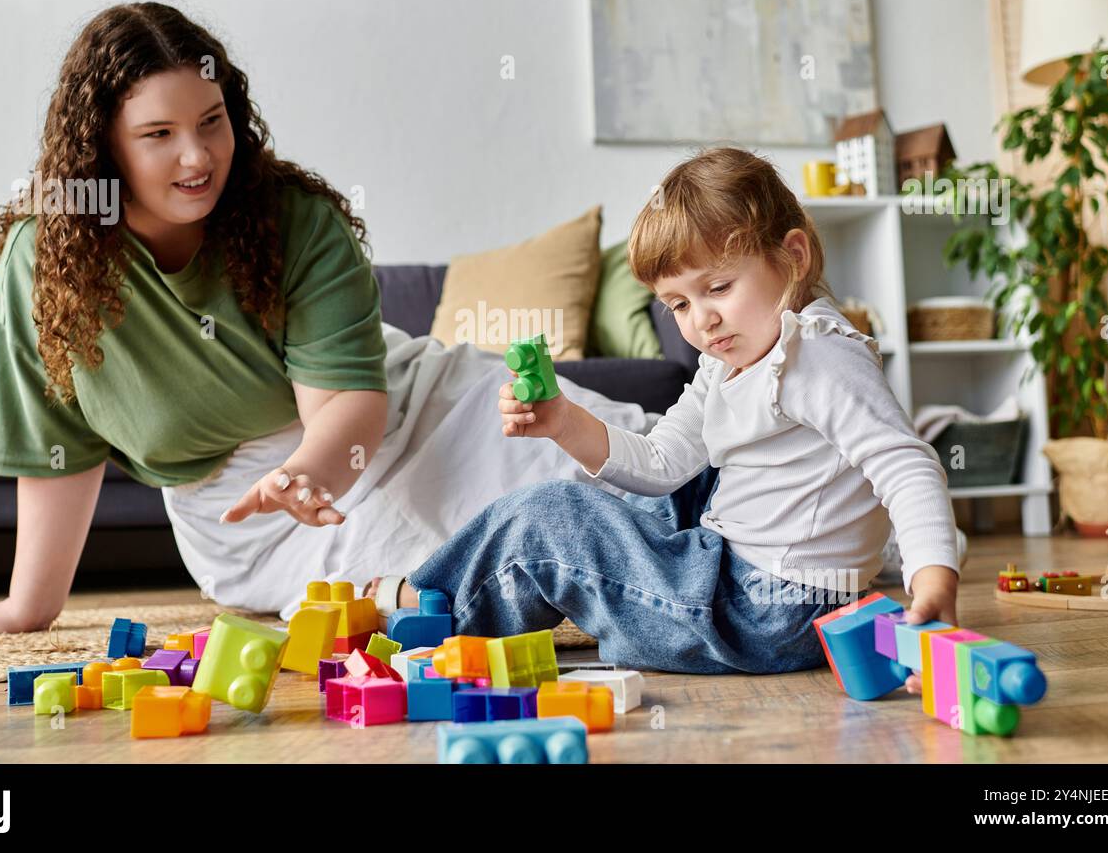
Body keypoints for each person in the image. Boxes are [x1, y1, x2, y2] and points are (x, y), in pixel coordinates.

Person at [0, 2, 649, 636]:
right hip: (248, 527)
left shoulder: (293, 219)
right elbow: (56, 447)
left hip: (397, 421)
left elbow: (347, 406)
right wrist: (27, 605)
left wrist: (306, 476)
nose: (197, 156)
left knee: (632, 478)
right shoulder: (44, 263)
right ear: (102, 146)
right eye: (158, 134)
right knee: (429, 593)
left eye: (211, 121)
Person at [367, 146, 964, 681]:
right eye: (678, 303)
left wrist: (933, 578)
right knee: (670, 491)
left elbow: (906, 467)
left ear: (793, 257)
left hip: (768, 610)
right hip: (759, 583)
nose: (701, 320)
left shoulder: (817, 356)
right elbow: (660, 461)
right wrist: (561, 420)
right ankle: (545, 582)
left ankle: (432, 608)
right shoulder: (730, 358)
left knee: (548, 520)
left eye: (719, 288)